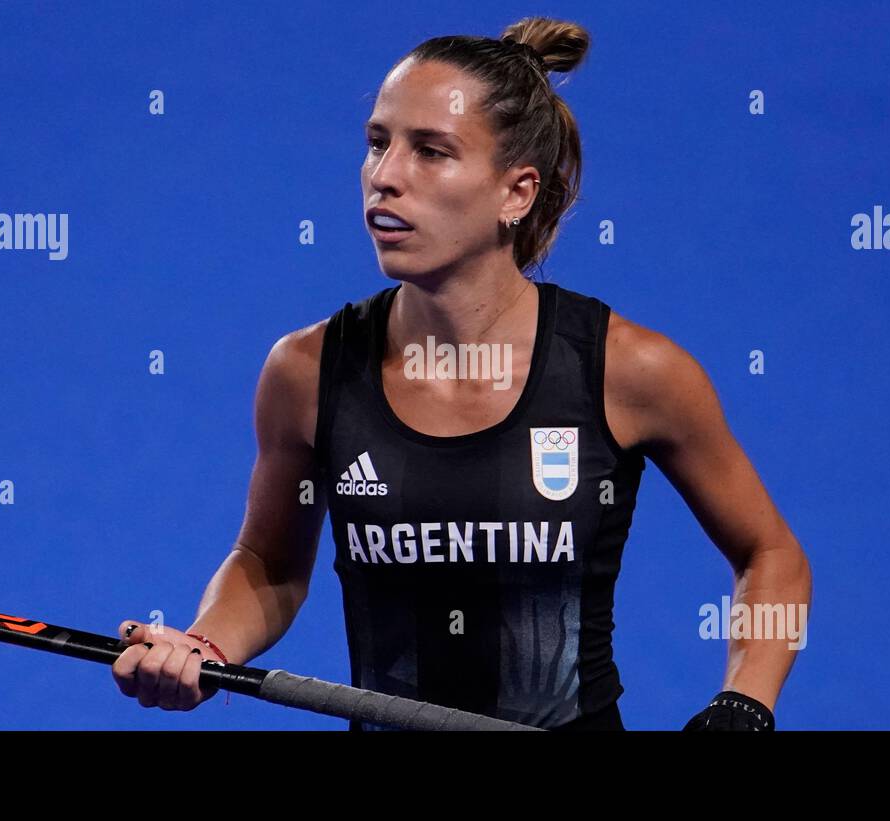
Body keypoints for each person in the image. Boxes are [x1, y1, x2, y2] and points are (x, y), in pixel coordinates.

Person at [111, 16, 812, 731]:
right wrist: (203, 644)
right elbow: (268, 563)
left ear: (517, 192)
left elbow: (771, 553)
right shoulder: (307, 370)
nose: (385, 177)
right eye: (378, 143)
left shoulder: (630, 370)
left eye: (432, 152)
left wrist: (743, 704)